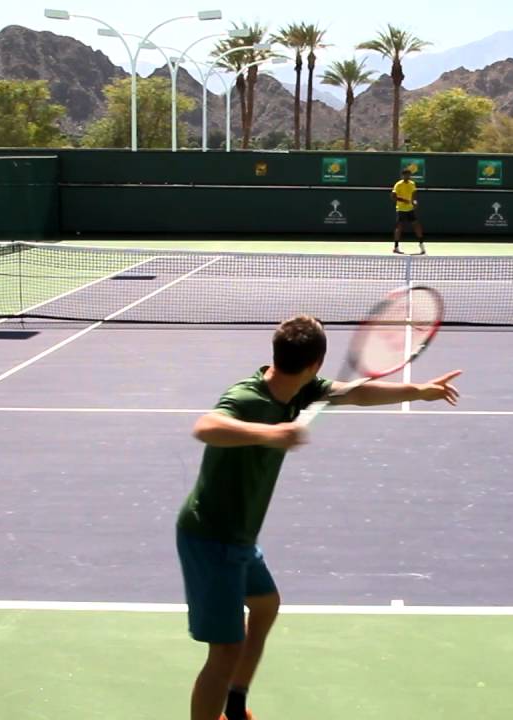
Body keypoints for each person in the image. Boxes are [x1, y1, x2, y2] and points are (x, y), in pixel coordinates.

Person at [177, 316, 462, 720]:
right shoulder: (247, 397)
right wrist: (269, 433)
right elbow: (206, 427)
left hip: (239, 537)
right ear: (316, 362)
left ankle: (236, 705)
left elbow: (358, 394)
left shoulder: (307, 390)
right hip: (212, 537)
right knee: (225, 649)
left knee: (265, 606)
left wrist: (418, 390)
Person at [391, 168, 425, 255]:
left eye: (409, 175)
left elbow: (413, 195)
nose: (408, 176)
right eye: (406, 175)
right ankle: (396, 247)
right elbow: (393, 196)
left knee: (417, 226)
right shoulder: (398, 184)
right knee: (399, 227)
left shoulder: (412, 184)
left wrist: (414, 201)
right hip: (401, 209)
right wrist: (403, 200)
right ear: (402, 175)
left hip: (410, 209)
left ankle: (421, 245)